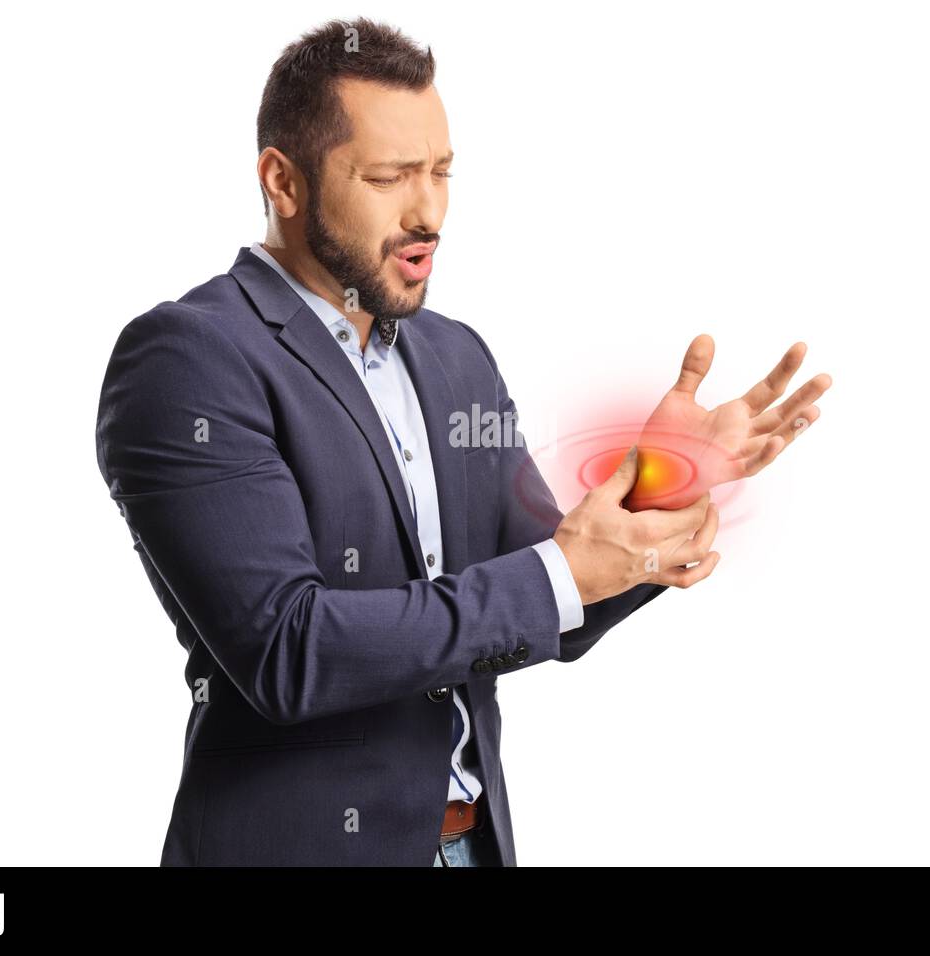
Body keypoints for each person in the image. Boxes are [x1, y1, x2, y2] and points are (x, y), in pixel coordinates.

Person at [94, 17, 830, 867]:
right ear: (281, 181)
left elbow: (547, 596)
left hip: (472, 849)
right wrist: (560, 571)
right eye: (389, 177)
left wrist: (658, 490)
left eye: (442, 172)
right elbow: (288, 651)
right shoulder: (190, 358)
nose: (429, 211)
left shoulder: (454, 357)